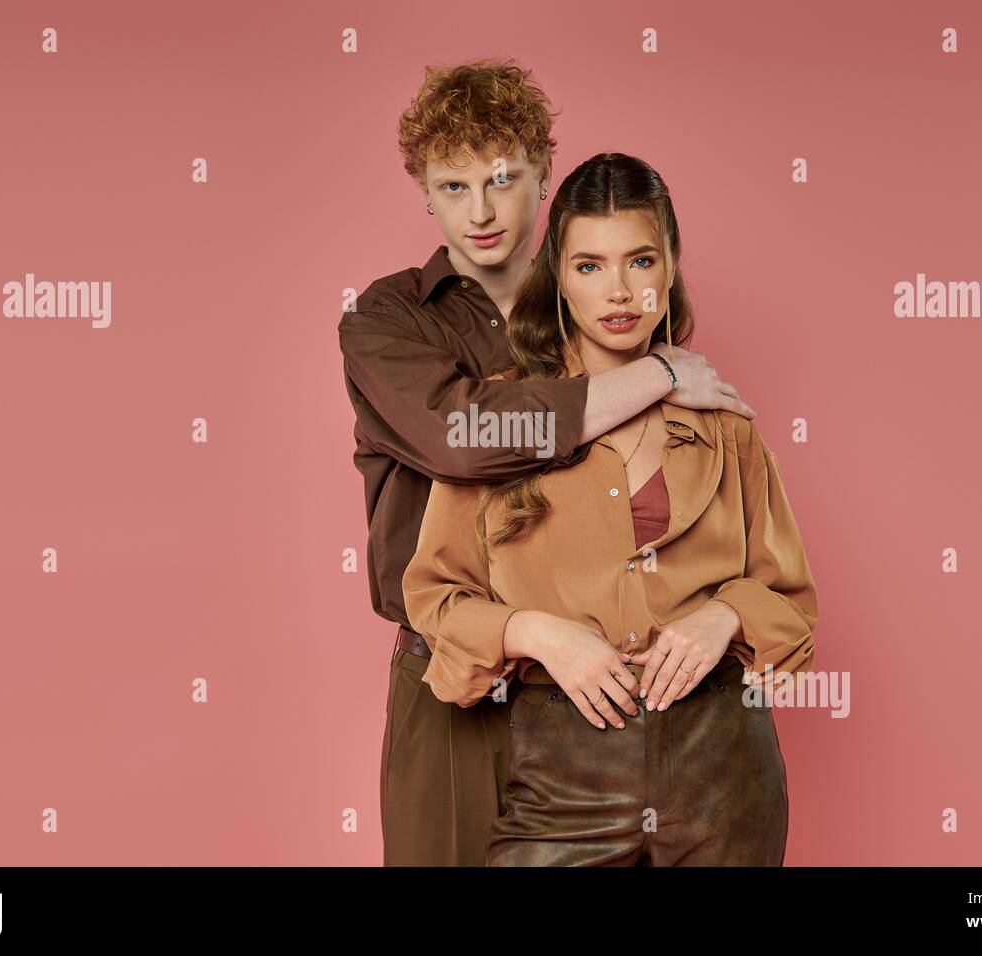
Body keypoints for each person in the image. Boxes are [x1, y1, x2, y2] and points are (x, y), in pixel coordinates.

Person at [338, 61, 755, 866]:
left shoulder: (597, 297)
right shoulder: (385, 320)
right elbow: (460, 437)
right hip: (452, 676)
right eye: (453, 187)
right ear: (424, 194)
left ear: (542, 175)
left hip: (596, 689)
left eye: (502, 180)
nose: (481, 211)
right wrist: (657, 374)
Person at [402, 152, 819, 866]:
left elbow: (793, 604)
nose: (620, 291)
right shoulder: (507, 420)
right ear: (558, 278)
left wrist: (724, 616)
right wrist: (537, 633)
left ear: (671, 268)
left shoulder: (725, 424)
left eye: (641, 261)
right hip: (563, 767)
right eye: (589, 266)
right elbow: (435, 598)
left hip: (724, 768)